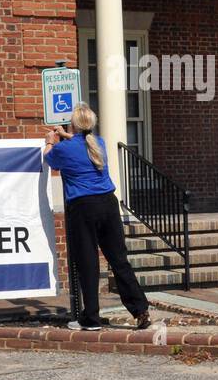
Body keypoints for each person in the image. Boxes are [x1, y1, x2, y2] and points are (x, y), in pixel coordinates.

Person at [43, 103, 153, 332]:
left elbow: (48, 158)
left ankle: (91, 319)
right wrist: (68, 135)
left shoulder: (63, 149)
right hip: (109, 204)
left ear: (73, 124)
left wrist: (51, 140)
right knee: (119, 260)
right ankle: (140, 310)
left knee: (88, 263)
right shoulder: (98, 143)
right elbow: (81, 143)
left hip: (83, 207)